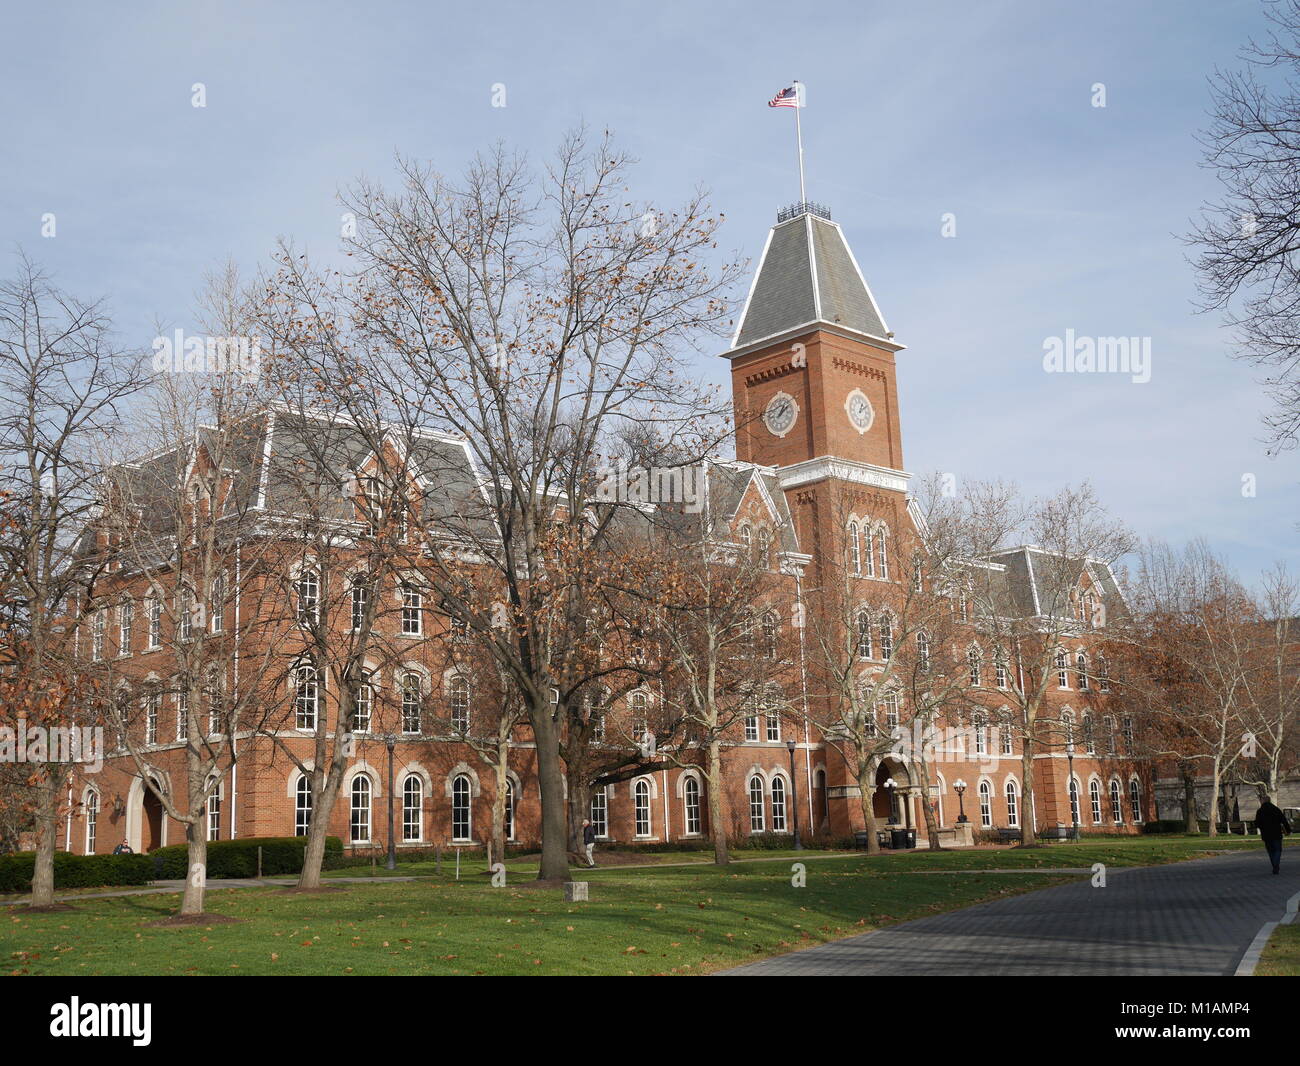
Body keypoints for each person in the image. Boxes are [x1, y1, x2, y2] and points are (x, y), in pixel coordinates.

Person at [1255, 799, 1292, 875]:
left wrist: (1262, 827)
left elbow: (1257, 823)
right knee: (1278, 850)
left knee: (1270, 851)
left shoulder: (1260, 811)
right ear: (1270, 801)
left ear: (1263, 802)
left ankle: (1274, 865)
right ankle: (1276, 864)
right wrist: (1288, 830)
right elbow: (1283, 820)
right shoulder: (1276, 809)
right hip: (1276, 833)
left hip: (1266, 834)